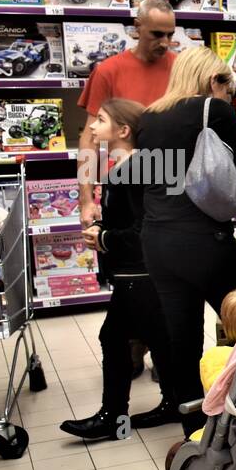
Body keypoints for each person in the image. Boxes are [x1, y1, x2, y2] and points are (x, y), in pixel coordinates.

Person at [133, 46, 236, 436]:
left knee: (182, 341)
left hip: (158, 242)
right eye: (228, 90)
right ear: (215, 81)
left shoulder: (149, 116)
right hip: (204, 242)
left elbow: (143, 184)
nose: (229, 98)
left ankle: (195, 432)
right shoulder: (213, 110)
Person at [60, 99, 178, 441]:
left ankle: (116, 416)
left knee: (124, 337)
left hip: (141, 275)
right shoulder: (127, 168)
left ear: (123, 130)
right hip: (136, 275)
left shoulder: (136, 170)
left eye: (100, 120)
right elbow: (131, 222)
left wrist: (105, 237)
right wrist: (103, 228)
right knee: (149, 338)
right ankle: (171, 403)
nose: (92, 127)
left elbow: (145, 230)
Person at [77, 0, 178, 227]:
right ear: (137, 27)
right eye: (157, 34)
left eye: (170, 35)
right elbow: (90, 138)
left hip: (171, 182)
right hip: (125, 185)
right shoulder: (108, 71)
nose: (165, 42)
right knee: (123, 248)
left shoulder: (181, 69)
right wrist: (86, 200)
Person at [164, 283, 236, 470]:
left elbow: (219, 395)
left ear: (226, 324)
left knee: (176, 453)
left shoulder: (218, 358)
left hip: (235, 441)